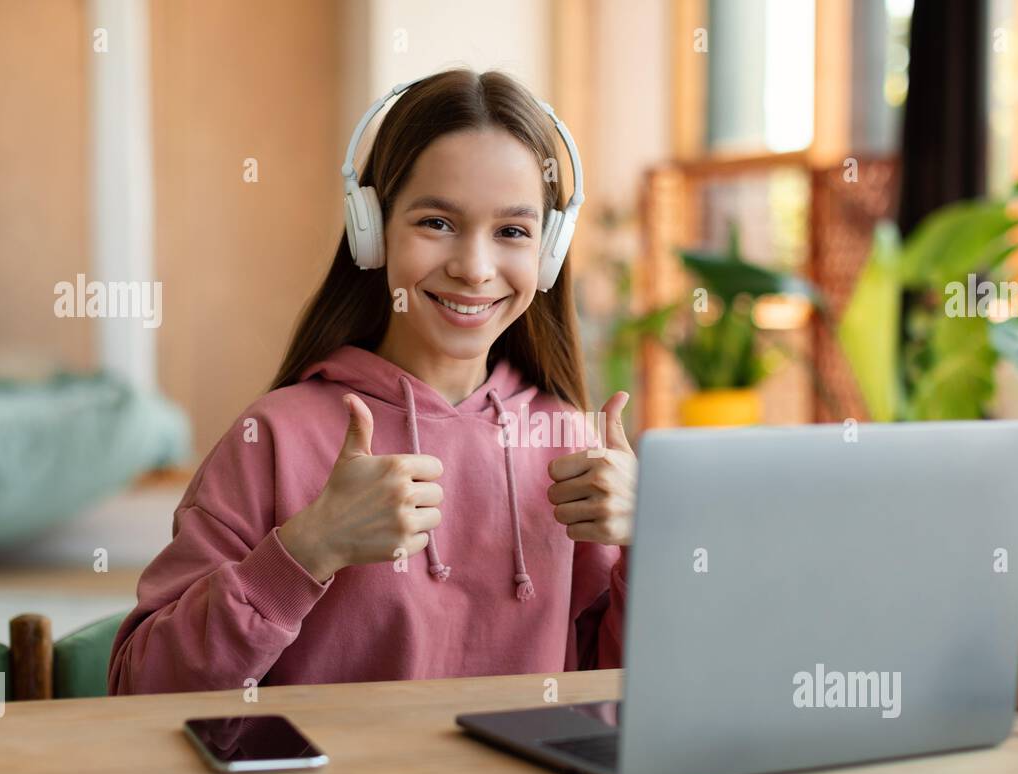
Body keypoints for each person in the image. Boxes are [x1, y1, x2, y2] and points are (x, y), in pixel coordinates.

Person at [108, 69, 634, 695]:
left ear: (548, 252)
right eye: (436, 222)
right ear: (372, 230)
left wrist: (647, 546)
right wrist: (306, 550)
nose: (473, 267)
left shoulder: (571, 444)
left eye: (513, 232)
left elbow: (621, 696)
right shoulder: (273, 436)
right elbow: (140, 688)